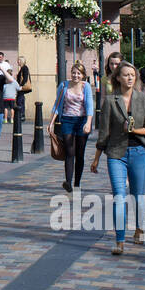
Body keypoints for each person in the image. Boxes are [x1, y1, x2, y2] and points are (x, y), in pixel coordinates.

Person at [92, 62, 145, 255]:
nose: (129, 78)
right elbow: (104, 133)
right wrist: (96, 158)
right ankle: (119, 240)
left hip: (138, 153)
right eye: (125, 75)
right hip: (116, 154)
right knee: (119, 197)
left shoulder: (144, 99)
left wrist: (135, 130)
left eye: (132, 75)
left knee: (138, 196)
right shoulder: (110, 101)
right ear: (117, 78)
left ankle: (139, 228)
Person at [50, 62, 94, 193]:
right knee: (69, 152)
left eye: (78, 73)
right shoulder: (63, 85)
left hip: (81, 121)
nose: (76, 75)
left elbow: (90, 105)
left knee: (80, 154)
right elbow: (57, 104)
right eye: (74, 72)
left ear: (83, 75)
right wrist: (51, 122)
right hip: (67, 120)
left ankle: (77, 183)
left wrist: (89, 122)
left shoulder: (85, 87)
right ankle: (68, 182)